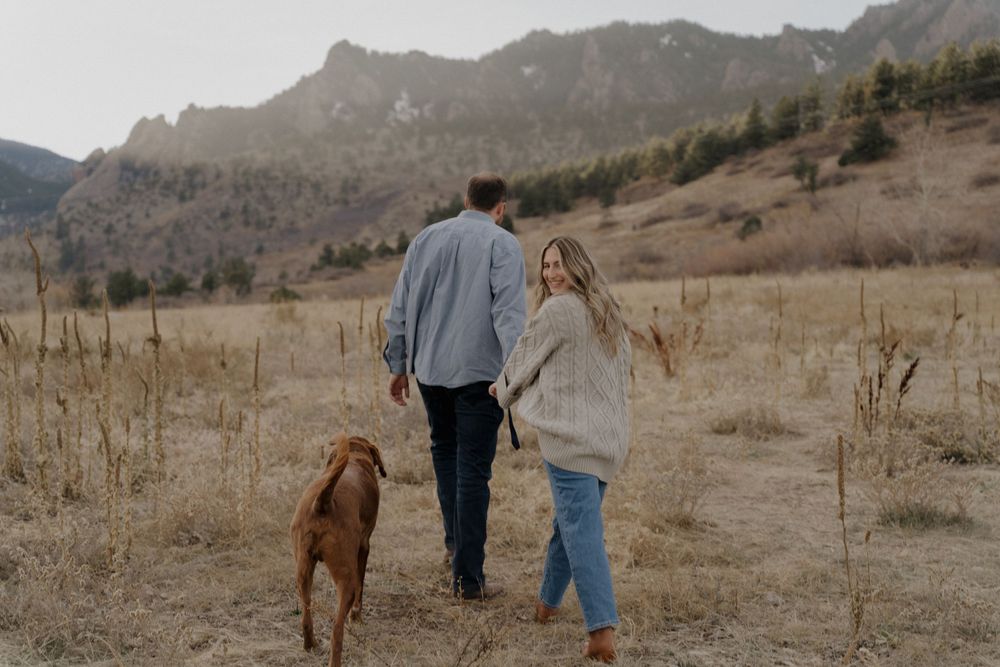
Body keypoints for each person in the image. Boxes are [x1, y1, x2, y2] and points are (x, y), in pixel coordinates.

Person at [383, 172, 526, 601]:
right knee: (473, 470)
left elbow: (399, 306)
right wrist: (517, 374)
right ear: (501, 208)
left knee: (446, 453)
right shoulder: (503, 244)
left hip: (430, 371)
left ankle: (454, 545)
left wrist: (398, 364)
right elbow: (509, 315)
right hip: (481, 375)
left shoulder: (426, 238)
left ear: (466, 200)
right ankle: (468, 579)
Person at [490, 236, 630, 663]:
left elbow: (522, 361)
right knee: (569, 523)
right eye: (546, 265)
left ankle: (601, 632)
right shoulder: (607, 308)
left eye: (559, 264)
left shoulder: (557, 310)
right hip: (608, 440)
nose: (551, 273)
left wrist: (501, 390)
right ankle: (547, 605)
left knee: (581, 530)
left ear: (577, 265)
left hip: (570, 441)